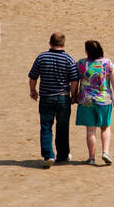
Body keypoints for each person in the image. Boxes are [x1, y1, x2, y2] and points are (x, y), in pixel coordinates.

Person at [28, 32, 80, 168]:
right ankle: (62, 155)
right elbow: (74, 80)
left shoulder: (42, 57)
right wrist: (74, 95)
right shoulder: (68, 59)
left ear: (50, 43)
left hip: (46, 98)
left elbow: (33, 77)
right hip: (63, 97)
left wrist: (33, 91)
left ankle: (48, 154)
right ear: (63, 44)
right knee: (62, 127)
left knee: (46, 127)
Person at [75, 40, 114, 166]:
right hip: (104, 99)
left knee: (90, 130)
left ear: (87, 51)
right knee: (105, 127)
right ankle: (105, 152)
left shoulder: (81, 63)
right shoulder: (107, 63)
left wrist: (74, 95)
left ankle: (91, 157)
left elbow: (75, 81)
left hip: (86, 100)